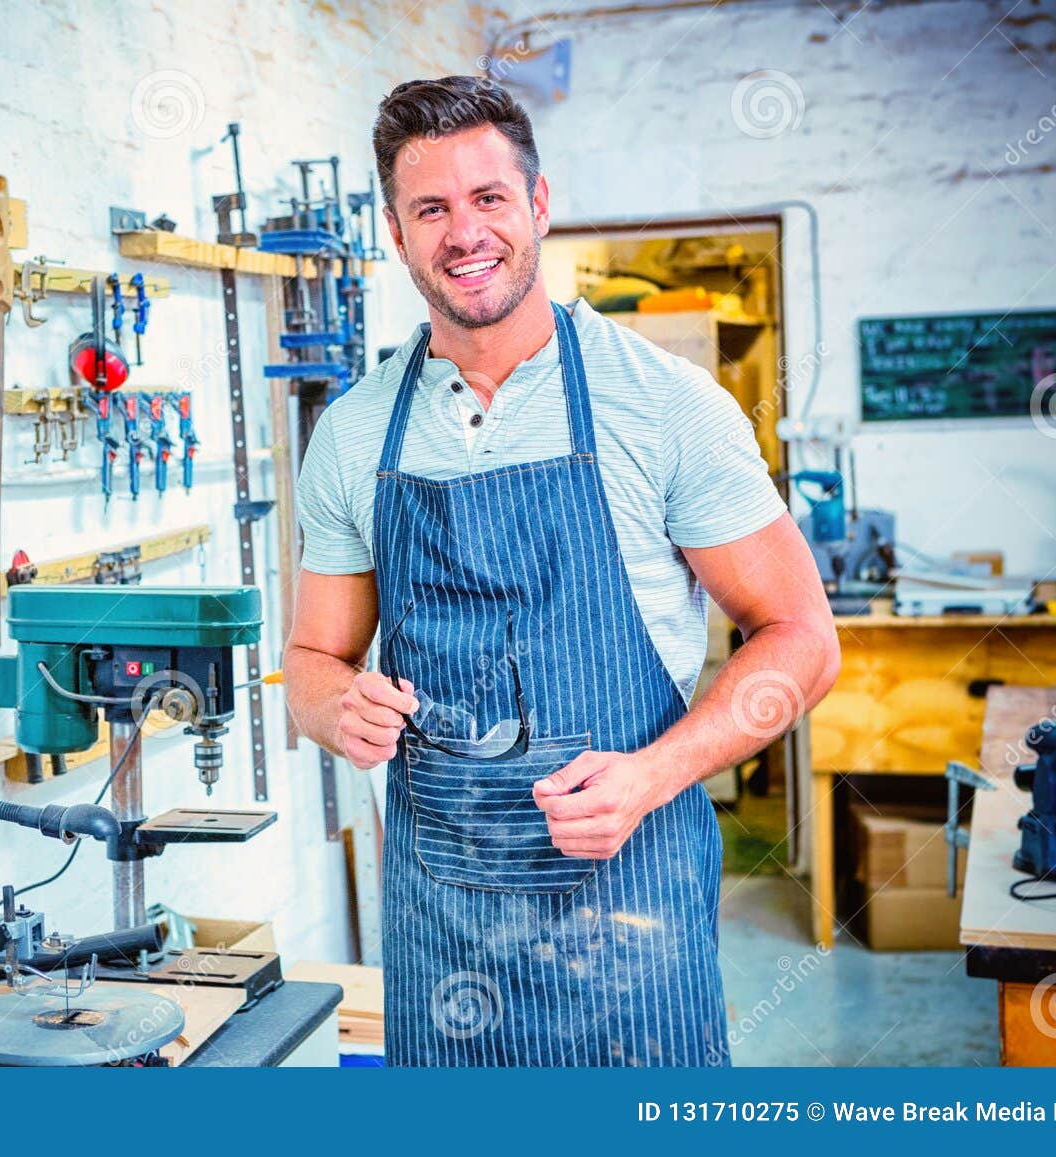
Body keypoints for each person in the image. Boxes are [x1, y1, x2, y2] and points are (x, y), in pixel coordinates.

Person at [284, 75, 839, 1067]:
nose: (465, 233)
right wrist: (337, 709)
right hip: (443, 924)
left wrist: (653, 773)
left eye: (488, 197)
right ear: (397, 234)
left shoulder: (664, 404)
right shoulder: (354, 432)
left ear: (537, 204)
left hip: (632, 910)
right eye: (431, 209)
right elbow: (313, 662)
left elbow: (803, 639)